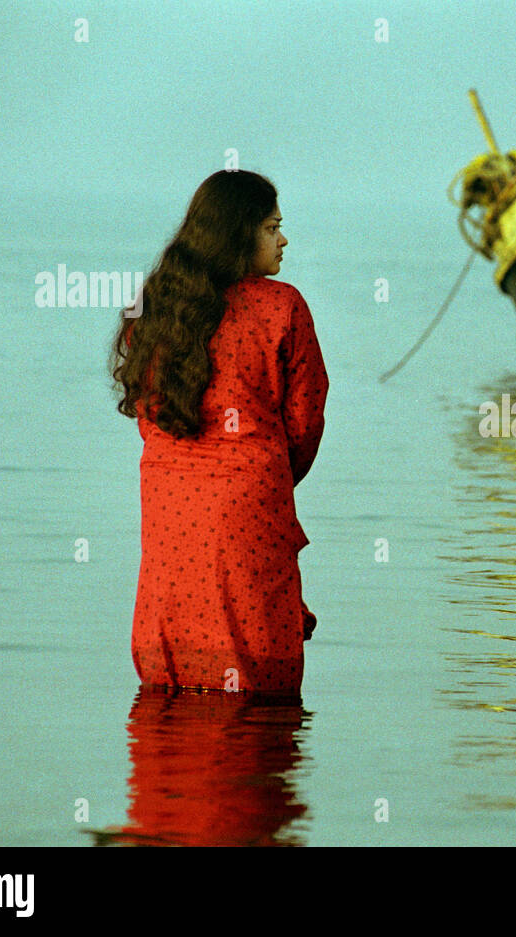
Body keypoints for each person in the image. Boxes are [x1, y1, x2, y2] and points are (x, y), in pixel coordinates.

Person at [110, 170, 329, 697]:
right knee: (256, 666)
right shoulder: (282, 306)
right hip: (247, 501)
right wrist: (263, 472)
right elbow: (305, 419)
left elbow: (149, 415)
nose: (284, 239)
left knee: (174, 665)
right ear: (239, 233)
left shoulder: (158, 303)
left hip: (167, 496)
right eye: (273, 227)